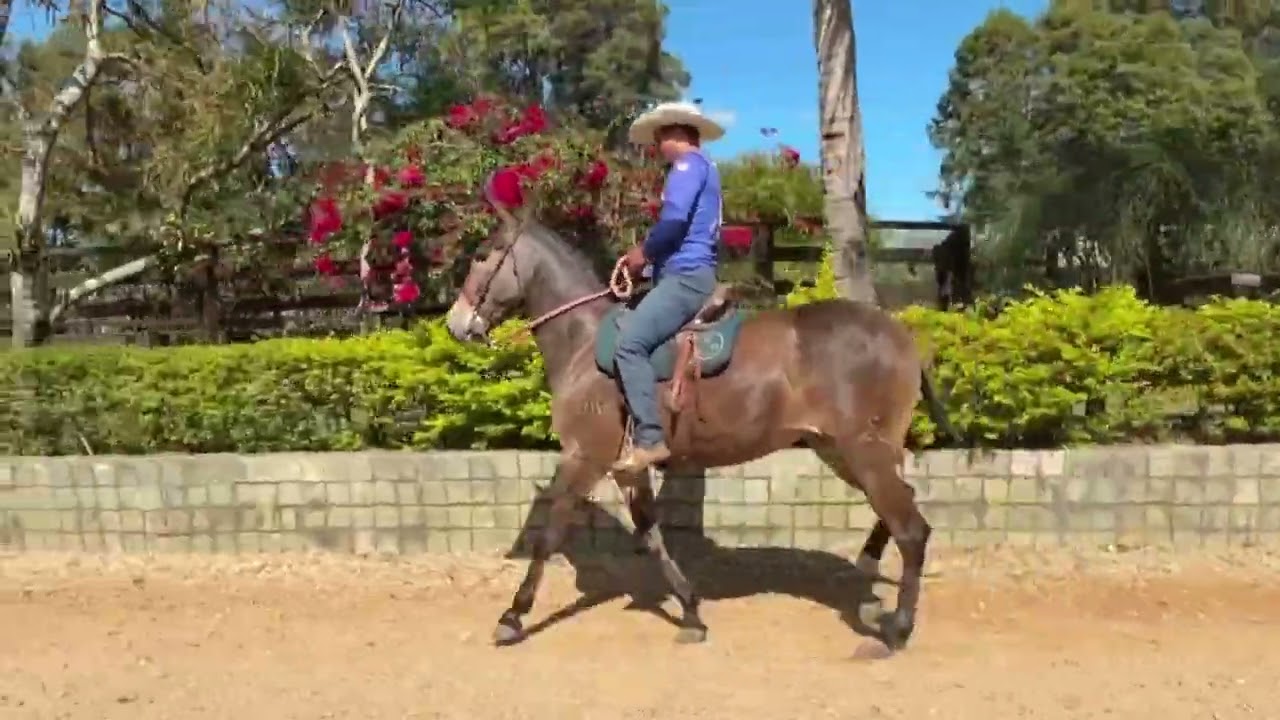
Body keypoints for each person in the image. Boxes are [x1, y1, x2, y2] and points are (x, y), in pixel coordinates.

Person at [612, 101, 727, 474]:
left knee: (629, 345)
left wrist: (641, 254)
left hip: (686, 277)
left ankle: (649, 439)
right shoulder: (707, 167)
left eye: (659, 137)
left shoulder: (686, 166)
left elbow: (675, 223)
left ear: (675, 133)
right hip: (686, 271)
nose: (657, 146)